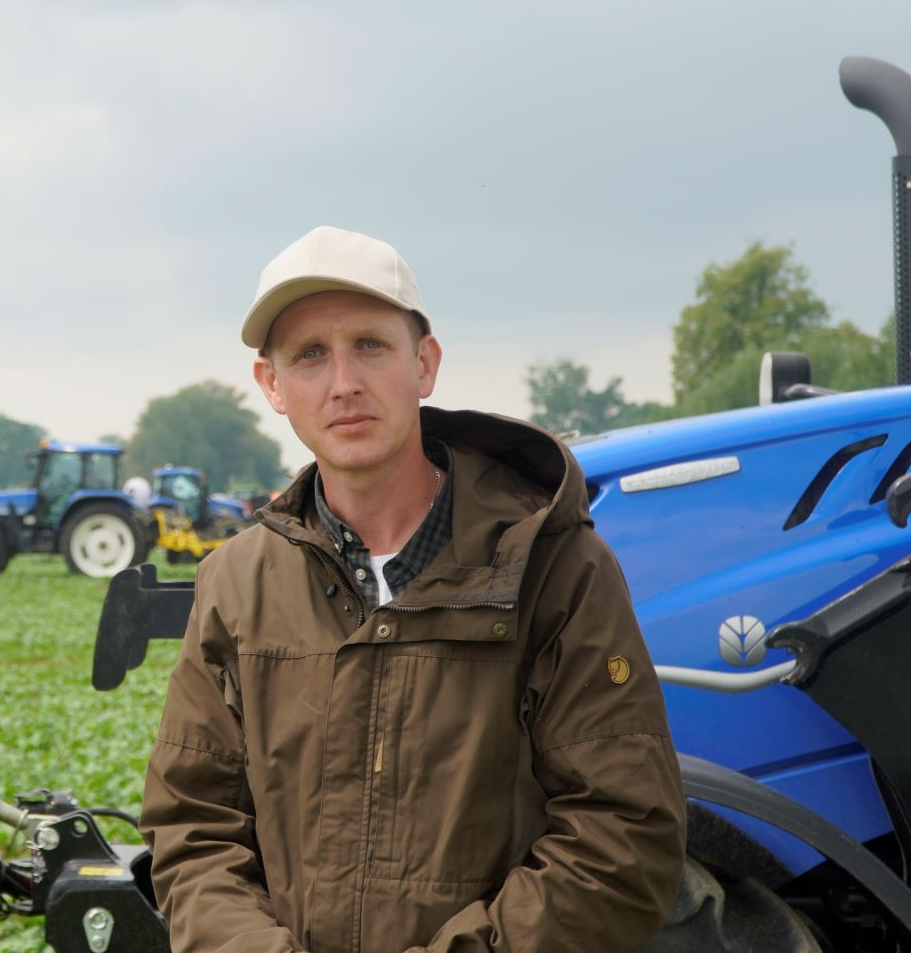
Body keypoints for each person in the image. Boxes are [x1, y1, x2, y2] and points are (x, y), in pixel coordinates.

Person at [140, 226, 686, 952]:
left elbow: (623, 834)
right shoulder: (234, 583)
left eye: (370, 344)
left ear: (423, 364)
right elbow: (193, 827)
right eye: (309, 355)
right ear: (271, 384)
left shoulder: (557, 567)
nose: (344, 383)